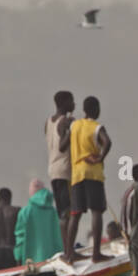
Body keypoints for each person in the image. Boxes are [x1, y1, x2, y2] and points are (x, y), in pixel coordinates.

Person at [64, 95, 112, 263]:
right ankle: (96, 254)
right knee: (96, 211)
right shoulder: (96, 127)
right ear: (96, 109)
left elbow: (64, 144)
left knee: (75, 214)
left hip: (77, 174)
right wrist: (100, 157)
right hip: (93, 173)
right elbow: (107, 142)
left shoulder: (74, 125)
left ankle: (69, 254)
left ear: (84, 110)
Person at [46, 90, 76, 244]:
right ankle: (69, 251)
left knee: (63, 213)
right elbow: (62, 146)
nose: (74, 104)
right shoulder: (65, 121)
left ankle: (67, 249)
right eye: (72, 101)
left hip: (53, 170)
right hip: (64, 171)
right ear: (64, 103)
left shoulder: (49, 121)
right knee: (69, 212)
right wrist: (72, 129)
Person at [14, 179, 63, 265]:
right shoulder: (54, 212)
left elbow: (20, 239)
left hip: (32, 263)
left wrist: (18, 257)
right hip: (54, 261)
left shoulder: (25, 212)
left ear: (31, 193)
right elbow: (61, 235)